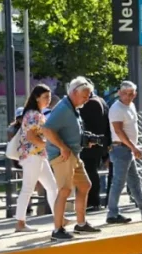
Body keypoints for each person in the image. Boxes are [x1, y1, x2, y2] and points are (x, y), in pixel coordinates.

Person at [42, 77, 99, 240]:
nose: (87, 99)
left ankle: (81, 224)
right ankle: (57, 230)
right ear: (74, 92)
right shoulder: (63, 109)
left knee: (85, 185)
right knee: (65, 190)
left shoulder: (73, 107)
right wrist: (62, 147)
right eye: (85, 96)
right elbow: (47, 129)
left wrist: (84, 141)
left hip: (73, 154)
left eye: (89, 95)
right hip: (63, 156)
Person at [106, 81, 142, 225]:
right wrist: (133, 147)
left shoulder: (130, 106)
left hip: (126, 149)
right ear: (119, 92)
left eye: (131, 94)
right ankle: (112, 213)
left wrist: (132, 147)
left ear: (135, 94)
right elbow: (118, 131)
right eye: (125, 93)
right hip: (121, 148)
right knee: (119, 182)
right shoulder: (116, 108)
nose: (128, 96)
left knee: (134, 181)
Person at [13, 85, 60, 234]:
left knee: (52, 187)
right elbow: (31, 137)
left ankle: (59, 218)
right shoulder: (34, 114)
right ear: (36, 97)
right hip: (34, 155)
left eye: (49, 97)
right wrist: (48, 144)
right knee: (28, 188)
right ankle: (20, 223)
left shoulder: (33, 113)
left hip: (37, 155)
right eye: (46, 97)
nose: (49, 100)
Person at [79, 90, 110, 212]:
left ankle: (92, 202)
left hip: (90, 144)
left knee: (90, 172)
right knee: (93, 172)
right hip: (100, 143)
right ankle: (95, 201)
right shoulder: (102, 101)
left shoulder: (90, 104)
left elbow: (87, 125)